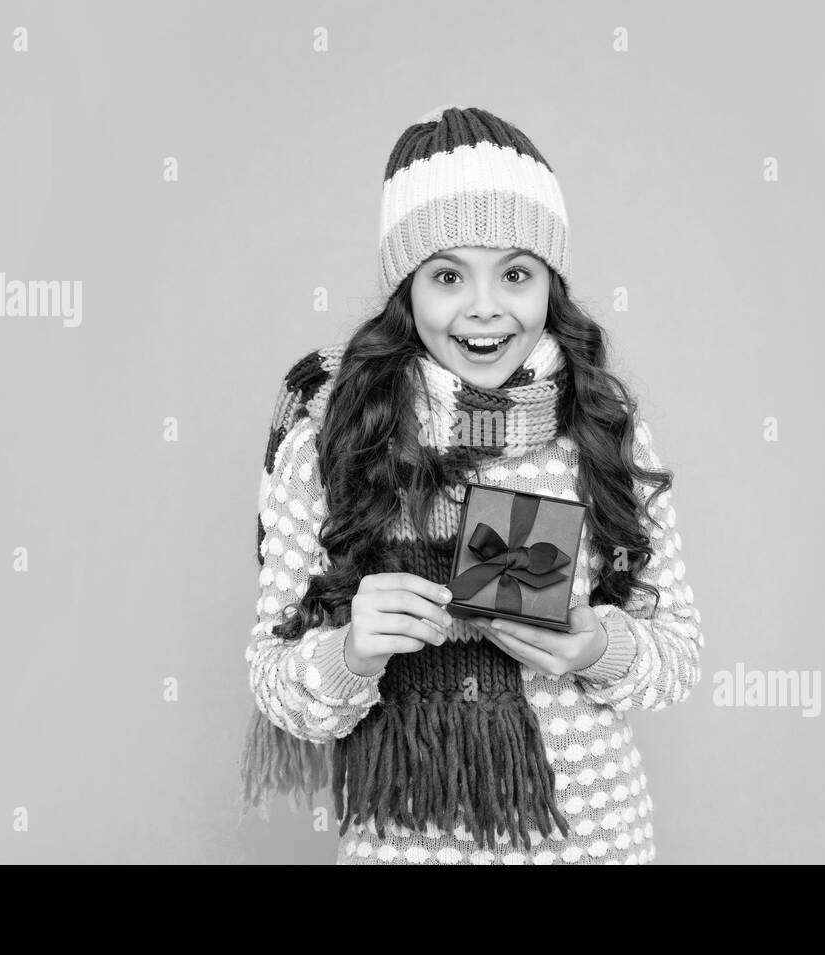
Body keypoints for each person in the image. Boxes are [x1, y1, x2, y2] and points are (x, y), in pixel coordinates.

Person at [240, 105, 705, 864]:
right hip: (403, 844)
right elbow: (278, 686)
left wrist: (595, 646)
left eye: (515, 272)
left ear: (550, 282)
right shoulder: (334, 434)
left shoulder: (600, 427)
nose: (485, 306)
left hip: (592, 843)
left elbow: (677, 654)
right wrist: (351, 651)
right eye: (448, 274)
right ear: (406, 288)